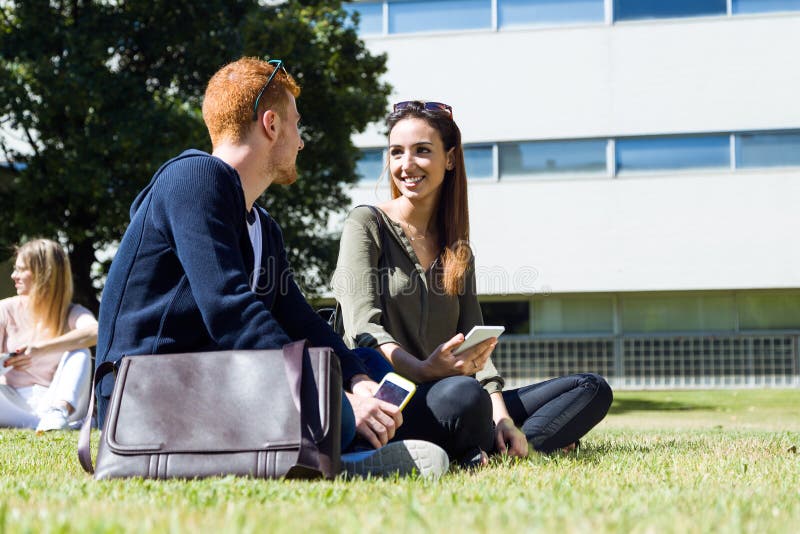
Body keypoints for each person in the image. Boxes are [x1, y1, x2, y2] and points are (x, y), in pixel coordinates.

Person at [95, 58, 447, 478]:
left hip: (219, 381)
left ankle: (347, 440)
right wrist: (330, 395)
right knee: (333, 402)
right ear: (271, 124)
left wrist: (355, 380)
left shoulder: (262, 226)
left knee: (369, 365)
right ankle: (345, 456)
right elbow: (230, 311)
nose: (300, 141)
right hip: (154, 396)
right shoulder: (193, 178)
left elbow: (301, 320)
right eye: (296, 125)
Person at [333, 100, 613, 465]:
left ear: (449, 159)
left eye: (422, 151)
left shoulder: (457, 248)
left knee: (590, 388)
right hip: (393, 398)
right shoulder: (366, 224)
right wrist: (422, 370)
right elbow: (363, 330)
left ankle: (501, 444)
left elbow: (476, 340)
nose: (406, 165)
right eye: (396, 152)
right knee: (464, 397)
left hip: (455, 390)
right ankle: (485, 444)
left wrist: (502, 416)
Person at [0, 238, 97, 433]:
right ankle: (40, 423)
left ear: (43, 274)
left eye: (21, 269)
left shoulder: (72, 312)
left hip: (57, 401)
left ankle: (56, 416)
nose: (13, 275)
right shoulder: (5, 309)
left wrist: (39, 350)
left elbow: (96, 332)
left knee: (80, 352)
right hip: (12, 400)